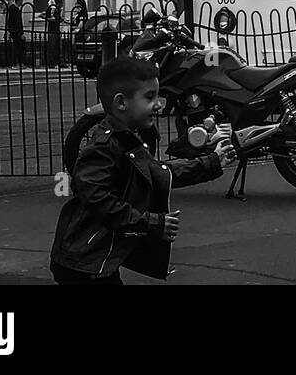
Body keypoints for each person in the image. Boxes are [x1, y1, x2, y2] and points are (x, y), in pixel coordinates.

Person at [50, 56, 236, 284]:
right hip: (83, 262)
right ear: (121, 103)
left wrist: (211, 162)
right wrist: (151, 223)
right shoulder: (103, 148)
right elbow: (100, 202)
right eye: (150, 97)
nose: (159, 104)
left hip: (96, 259)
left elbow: (160, 172)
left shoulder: (127, 141)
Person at [6, 0, 25, 67]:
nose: (22, 3)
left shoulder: (13, 9)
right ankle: (17, 63)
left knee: (18, 47)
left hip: (15, 31)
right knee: (18, 48)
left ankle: (17, 63)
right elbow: (17, 22)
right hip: (16, 32)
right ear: (19, 1)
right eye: (22, 1)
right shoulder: (14, 10)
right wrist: (20, 33)